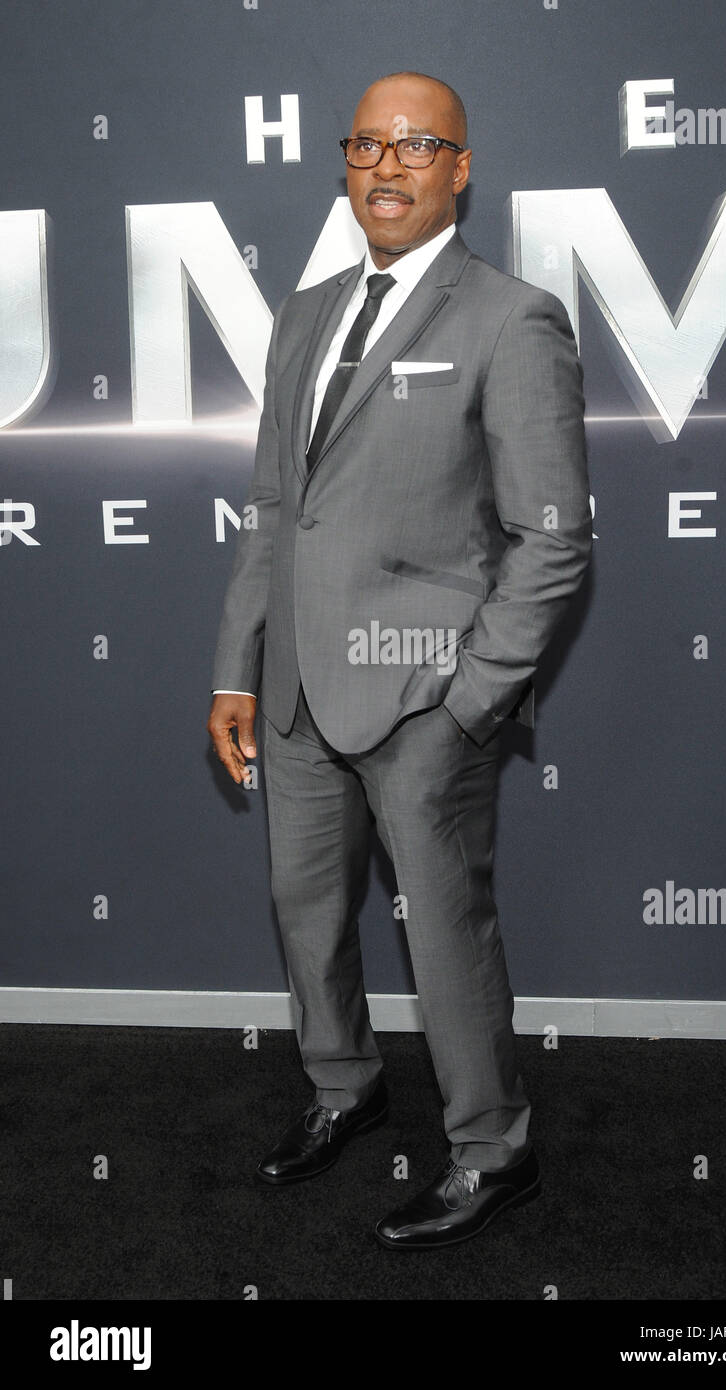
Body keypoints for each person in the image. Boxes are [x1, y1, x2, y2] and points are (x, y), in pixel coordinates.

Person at [207, 70, 592, 1249]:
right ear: (345, 163)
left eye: (417, 145)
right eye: (367, 144)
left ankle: (493, 1148)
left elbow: (553, 540)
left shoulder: (510, 318)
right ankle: (344, 1087)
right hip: (297, 691)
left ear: (459, 169)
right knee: (304, 909)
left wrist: (471, 699)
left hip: (427, 695)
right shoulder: (305, 311)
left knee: (442, 929)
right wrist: (237, 666)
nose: (387, 164)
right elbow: (276, 509)